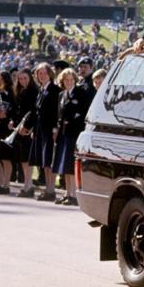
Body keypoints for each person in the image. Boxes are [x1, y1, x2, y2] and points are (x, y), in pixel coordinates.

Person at [52, 68, 88, 206]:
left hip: (74, 133)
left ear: (75, 80)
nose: (68, 82)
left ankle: (73, 194)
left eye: (71, 80)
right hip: (63, 133)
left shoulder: (80, 93)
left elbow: (83, 113)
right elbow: (59, 116)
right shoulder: (62, 95)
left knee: (71, 164)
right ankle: (68, 193)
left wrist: (73, 120)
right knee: (64, 165)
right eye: (66, 80)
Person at [25, 63, 60, 202]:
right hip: (40, 129)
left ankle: (51, 190)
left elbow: (57, 112)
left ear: (49, 74)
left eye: (44, 73)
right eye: (39, 74)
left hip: (50, 130)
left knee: (49, 161)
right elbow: (36, 112)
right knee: (44, 161)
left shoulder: (55, 90)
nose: (42, 76)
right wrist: (32, 128)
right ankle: (48, 189)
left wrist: (55, 128)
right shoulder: (41, 90)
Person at [12, 68, 39, 198]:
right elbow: (17, 110)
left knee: (27, 158)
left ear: (30, 78)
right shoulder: (20, 91)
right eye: (20, 78)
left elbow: (33, 111)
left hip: (28, 129)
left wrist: (27, 127)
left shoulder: (34, 91)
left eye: (25, 78)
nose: (23, 81)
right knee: (23, 158)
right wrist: (14, 122)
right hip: (20, 128)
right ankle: (27, 184)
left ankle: (28, 185)